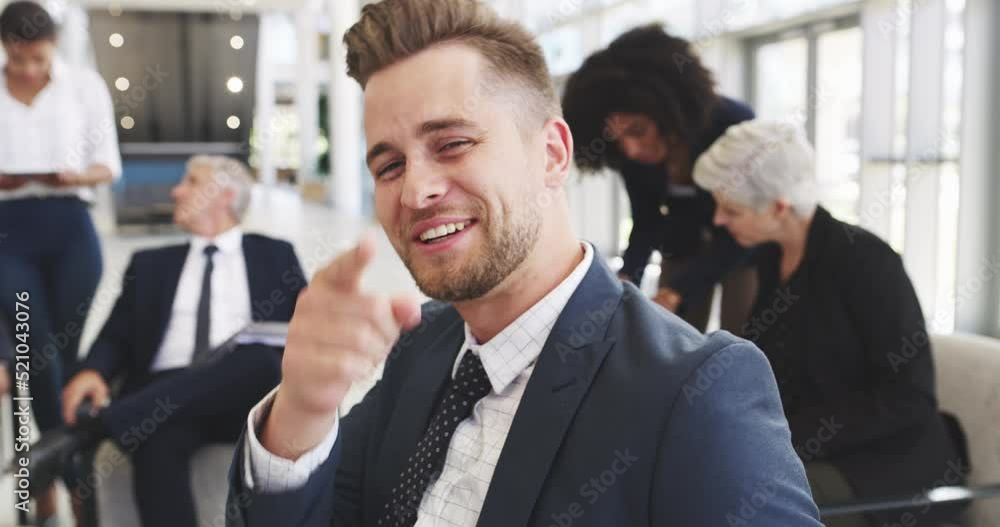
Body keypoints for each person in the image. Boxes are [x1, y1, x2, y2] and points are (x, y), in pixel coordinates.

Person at [225, 2, 821, 526]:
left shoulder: (693, 393)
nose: (415, 191)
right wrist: (299, 413)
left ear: (554, 154)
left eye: (452, 143)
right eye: (388, 167)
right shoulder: (422, 348)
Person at [694, 120, 967, 526]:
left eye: (730, 209)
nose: (718, 220)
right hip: (808, 449)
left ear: (778, 207)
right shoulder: (772, 260)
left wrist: (786, 436)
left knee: (737, 496)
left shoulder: (867, 263)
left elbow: (908, 397)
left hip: (886, 467)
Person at [26, 156, 307, 527]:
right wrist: (93, 370)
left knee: (257, 358)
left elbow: (305, 330)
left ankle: (96, 427)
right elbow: (116, 335)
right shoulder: (151, 264)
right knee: (157, 438)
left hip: (247, 396)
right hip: (163, 404)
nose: (176, 191)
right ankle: (112, 422)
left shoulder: (275, 254)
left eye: (190, 182)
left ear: (225, 195)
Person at [0, 1, 121, 520]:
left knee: (62, 363)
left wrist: (75, 176)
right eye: (18, 57)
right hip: (9, 232)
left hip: (72, 228)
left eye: (39, 58)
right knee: (37, 356)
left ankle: (40, 485)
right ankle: (72, 483)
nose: (29, 69)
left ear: (54, 46)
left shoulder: (84, 85)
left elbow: (107, 166)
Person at [562, 24, 757, 332]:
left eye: (638, 131)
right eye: (617, 140)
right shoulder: (630, 153)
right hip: (681, 245)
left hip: (743, 245)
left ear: (668, 111)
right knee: (671, 336)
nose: (632, 150)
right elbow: (647, 220)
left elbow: (748, 227)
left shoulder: (732, 125)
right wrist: (627, 278)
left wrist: (677, 290)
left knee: (745, 334)